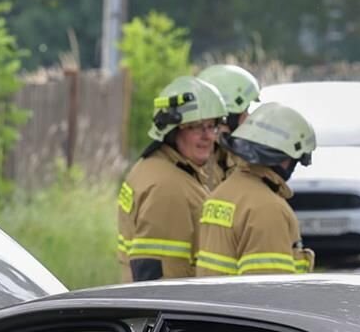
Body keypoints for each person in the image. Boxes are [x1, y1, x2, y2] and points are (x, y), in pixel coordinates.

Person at [116, 75, 229, 281]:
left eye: (211, 126)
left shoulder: (155, 167)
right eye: (196, 126)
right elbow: (163, 276)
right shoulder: (167, 188)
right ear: (171, 131)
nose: (208, 136)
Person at [194, 101, 317, 276]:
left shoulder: (220, 194)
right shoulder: (269, 209)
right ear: (284, 156)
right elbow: (268, 292)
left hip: (213, 301)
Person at [197, 63, 261, 184]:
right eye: (245, 111)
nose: (248, 117)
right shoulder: (207, 158)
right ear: (227, 117)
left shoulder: (219, 151)